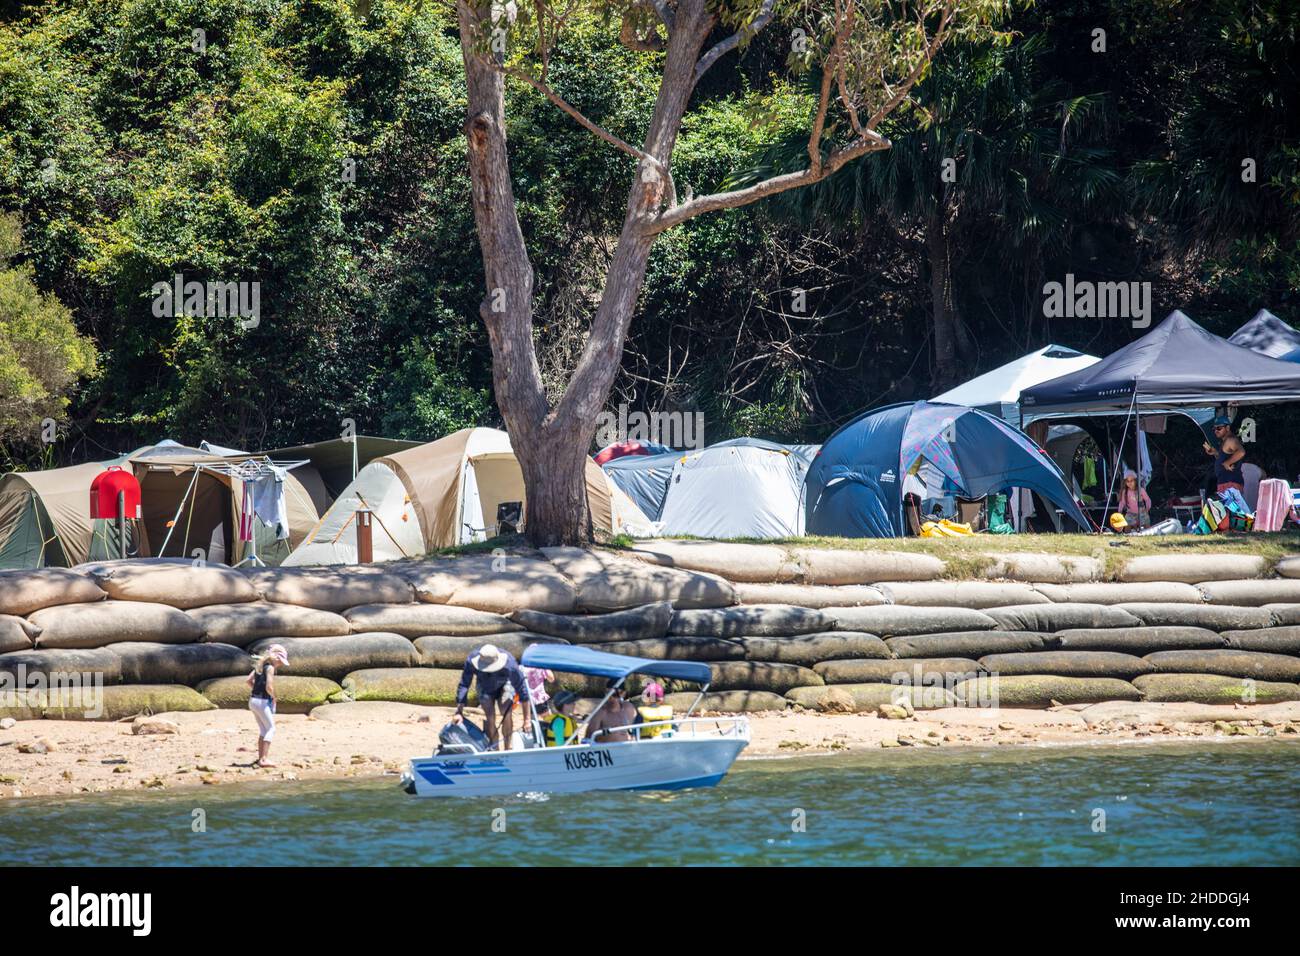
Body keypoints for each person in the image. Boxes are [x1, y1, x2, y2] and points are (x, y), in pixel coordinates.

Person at [453, 644, 529, 751]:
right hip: (484, 685)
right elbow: (464, 684)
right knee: (490, 716)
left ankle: (508, 747)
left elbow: (522, 689)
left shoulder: (510, 664)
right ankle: (495, 748)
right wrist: (459, 712)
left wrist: (527, 720)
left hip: (505, 683)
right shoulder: (471, 660)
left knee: (506, 711)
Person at [246, 643, 288, 768]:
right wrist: (274, 697)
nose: (280, 664)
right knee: (271, 728)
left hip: (253, 701)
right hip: (262, 702)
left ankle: (261, 758)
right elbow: (269, 686)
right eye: (280, 661)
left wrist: (257, 690)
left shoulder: (259, 665)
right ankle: (264, 759)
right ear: (276, 658)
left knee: (264, 730)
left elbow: (248, 681)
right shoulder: (270, 668)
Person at [1203, 415, 1246, 495]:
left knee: (1231, 507)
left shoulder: (1230, 440)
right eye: (1214, 429)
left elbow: (1241, 452)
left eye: (1219, 428)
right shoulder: (1225, 441)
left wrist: (1227, 463)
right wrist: (1215, 453)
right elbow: (1224, 458)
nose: (1216, 431)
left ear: (1227, 428)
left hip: (1230, 484)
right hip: (1225, 483)